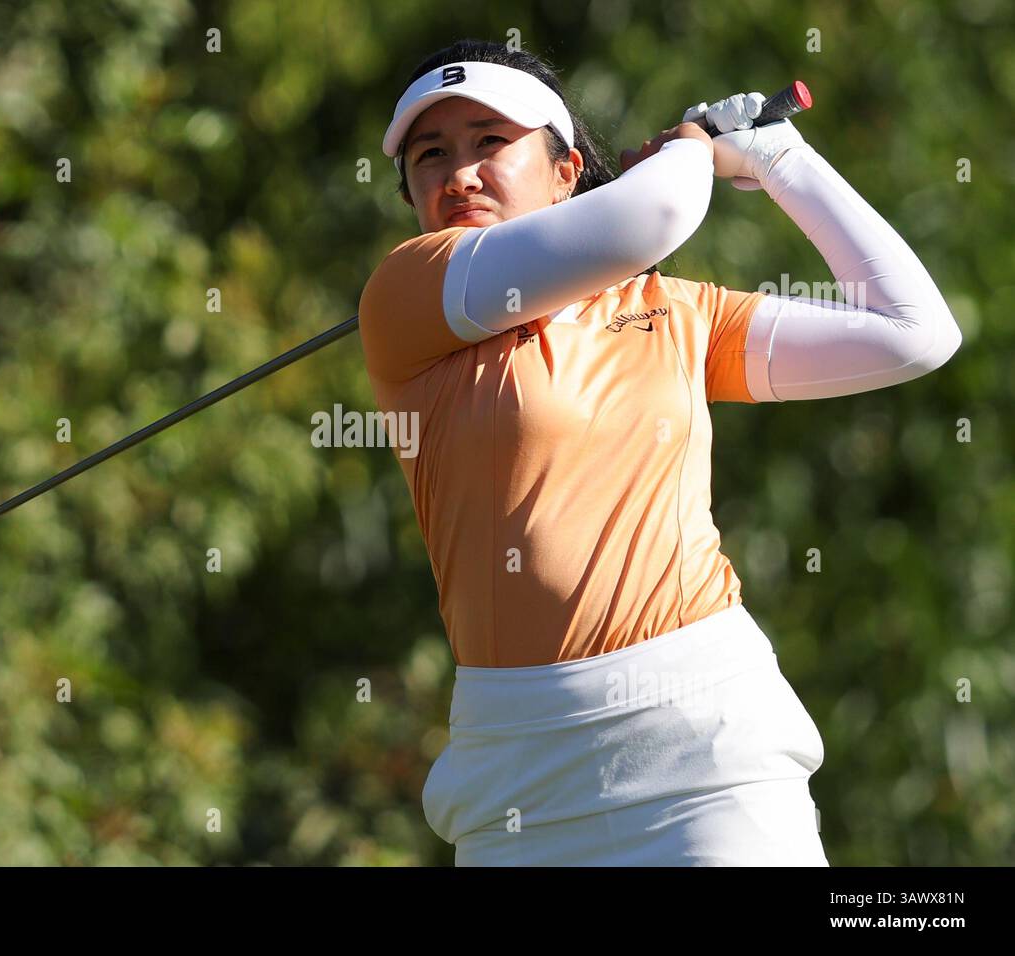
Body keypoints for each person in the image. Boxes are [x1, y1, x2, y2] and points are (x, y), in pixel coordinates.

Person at [357, 39, 962, 866]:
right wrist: (691, 144)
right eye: (432, 156)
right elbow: (656, 215)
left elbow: (913, 334)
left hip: (705, 746)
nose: (459, 173)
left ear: (566, 170)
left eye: (490, 143)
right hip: (515, 776)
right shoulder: (406, 294)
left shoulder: (676, 312)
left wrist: (777, 159)